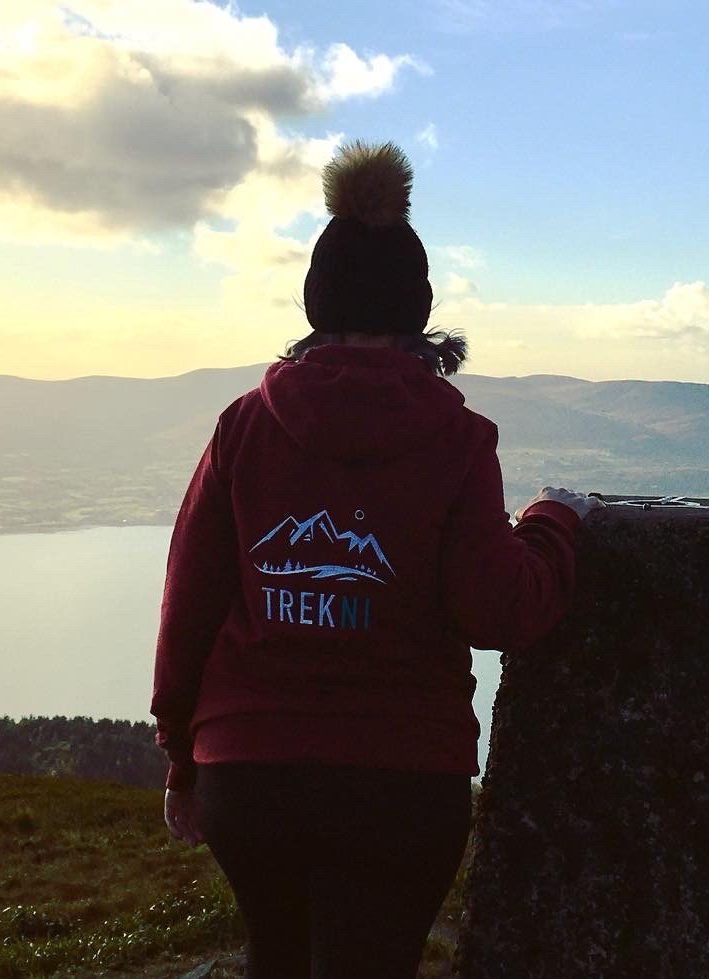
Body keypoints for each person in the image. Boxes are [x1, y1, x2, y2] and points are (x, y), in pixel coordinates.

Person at [150, 140, 599, 979]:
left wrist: (183, 760)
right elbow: (497, 608)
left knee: (275, 958)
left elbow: (190, 604)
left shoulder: (244, 425)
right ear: (417, 310)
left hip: (248, 773)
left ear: (316, 304)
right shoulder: (458, 439)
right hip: (400, 778)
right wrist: (551, 525)